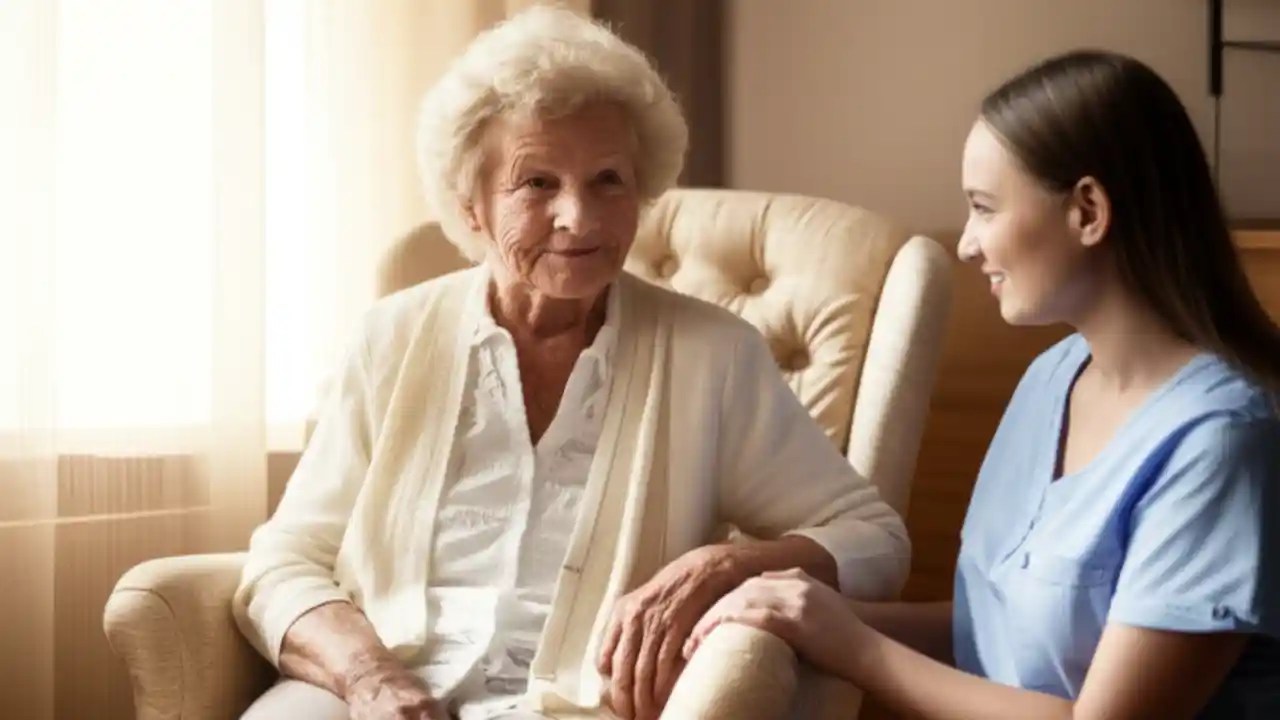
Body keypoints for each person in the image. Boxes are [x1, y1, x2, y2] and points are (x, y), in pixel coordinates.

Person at [231, 7, 909, 720]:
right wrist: (370, 679)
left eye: (608, 180)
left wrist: (725, 563)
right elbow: (286, 561)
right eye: (537, 184)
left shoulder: (711, 356)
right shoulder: (389, 338)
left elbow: (875, 541)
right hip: (374, 696)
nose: (579, 219)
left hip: (583, 703)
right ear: (471, 209)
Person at [689, 50, 1280, 719]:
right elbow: (994, 630)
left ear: (1088, 210)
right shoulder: (1051, 377)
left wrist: (851, 641)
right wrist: (810, 611)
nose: (967, 244)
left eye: (983, 207)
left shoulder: (1222, 444)